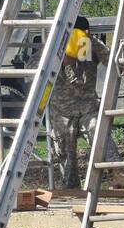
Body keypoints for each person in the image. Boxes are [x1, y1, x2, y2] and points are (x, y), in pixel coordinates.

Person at [47, 16, 118, 189]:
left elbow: (112, 59)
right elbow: (35, 68)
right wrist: (61, 58)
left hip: (87, 106)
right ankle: (70, 189)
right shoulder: (53, 47)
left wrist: (90, 42)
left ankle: (119, 175)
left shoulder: (90, 44)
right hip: (62, 111)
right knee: (65, 154)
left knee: (101, 138)